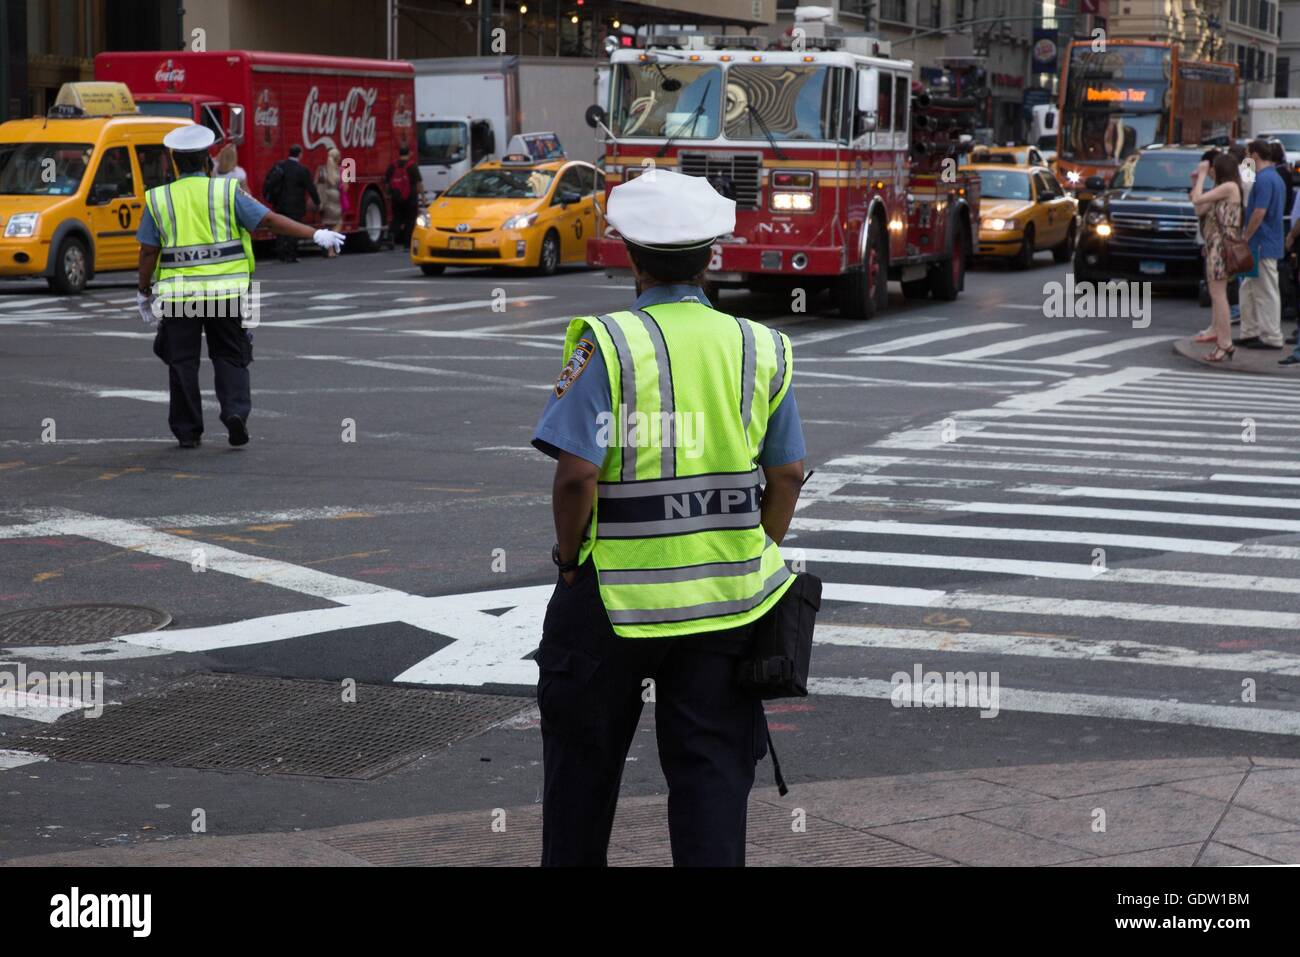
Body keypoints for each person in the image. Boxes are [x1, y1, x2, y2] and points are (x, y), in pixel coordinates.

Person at [530, 169, 807, 867]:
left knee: (581, 774)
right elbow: (788, 474)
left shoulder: (609, 342)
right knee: (713, 774)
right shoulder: (759, 346)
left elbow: (575, 478)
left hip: (610, 603)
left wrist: (568, 563)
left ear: (631, 254)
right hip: (723, 604)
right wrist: (750, 547)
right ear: (712, 255)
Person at [135, 125, 346, 448]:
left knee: (182, 362)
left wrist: (143, 290)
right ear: (208, 160)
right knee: (230, 356)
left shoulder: (158, 198)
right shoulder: (227, 192)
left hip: (178, 295)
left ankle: (188, 431)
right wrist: (314, 234)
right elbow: (270, 220)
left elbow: (148, 250)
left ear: (173, 162)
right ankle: (235, 412)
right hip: (225, 292)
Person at [1191, 153, 1244, 362]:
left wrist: (1202, 175)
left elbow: (1196, 199)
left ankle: (1225, 342)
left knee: (1219, 295)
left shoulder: (1230, 187)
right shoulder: (1220, 190)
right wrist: (1198, 181)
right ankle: (1223, 341)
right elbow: (1198, 208)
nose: (1210, 170)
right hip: (1215, 246)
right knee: (1217, 294)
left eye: (1214, 168)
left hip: (1221, 247)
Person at [1236, 139, 1287, 350]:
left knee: (1265, 290)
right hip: (1265, 241)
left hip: (1261, 242)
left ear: (1255, 155)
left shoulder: (1264, 179)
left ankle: (1271, 335)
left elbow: (1259, 211)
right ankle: (1251, 330)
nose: (1246, 159)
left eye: (1248, 154)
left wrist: (1246, 236)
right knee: (1249, 288)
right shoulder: (1273, 177)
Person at [263, 144, 319, 263]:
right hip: (296, 205)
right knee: (293, 229)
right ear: (300, 154)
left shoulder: (280, 166)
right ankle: (291, 254)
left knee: (281, 227)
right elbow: (310, 187)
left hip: (280, 203)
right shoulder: (302, 170)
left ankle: (281, 253)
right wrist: (317, 201)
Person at [384, 145, 423, 249]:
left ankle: (391, 236)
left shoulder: (392, 166)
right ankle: (407, 243)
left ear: (399, 153)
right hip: (410, 198)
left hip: (396, 198)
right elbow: (419, 183)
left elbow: (387, 182)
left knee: (396, 218)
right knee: (410, 220)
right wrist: (422, 197)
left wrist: (388, 194)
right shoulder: (412, 166)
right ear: (409, 153)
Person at [315, 148, 344, 258]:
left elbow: (315, 183)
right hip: (335, 198)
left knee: (327, 225)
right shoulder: (340, 170)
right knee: (338, 223)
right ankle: (331, 244)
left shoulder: (321, 169)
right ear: (337, 158)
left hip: (325, 199)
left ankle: (330, 251)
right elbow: (345, 188)